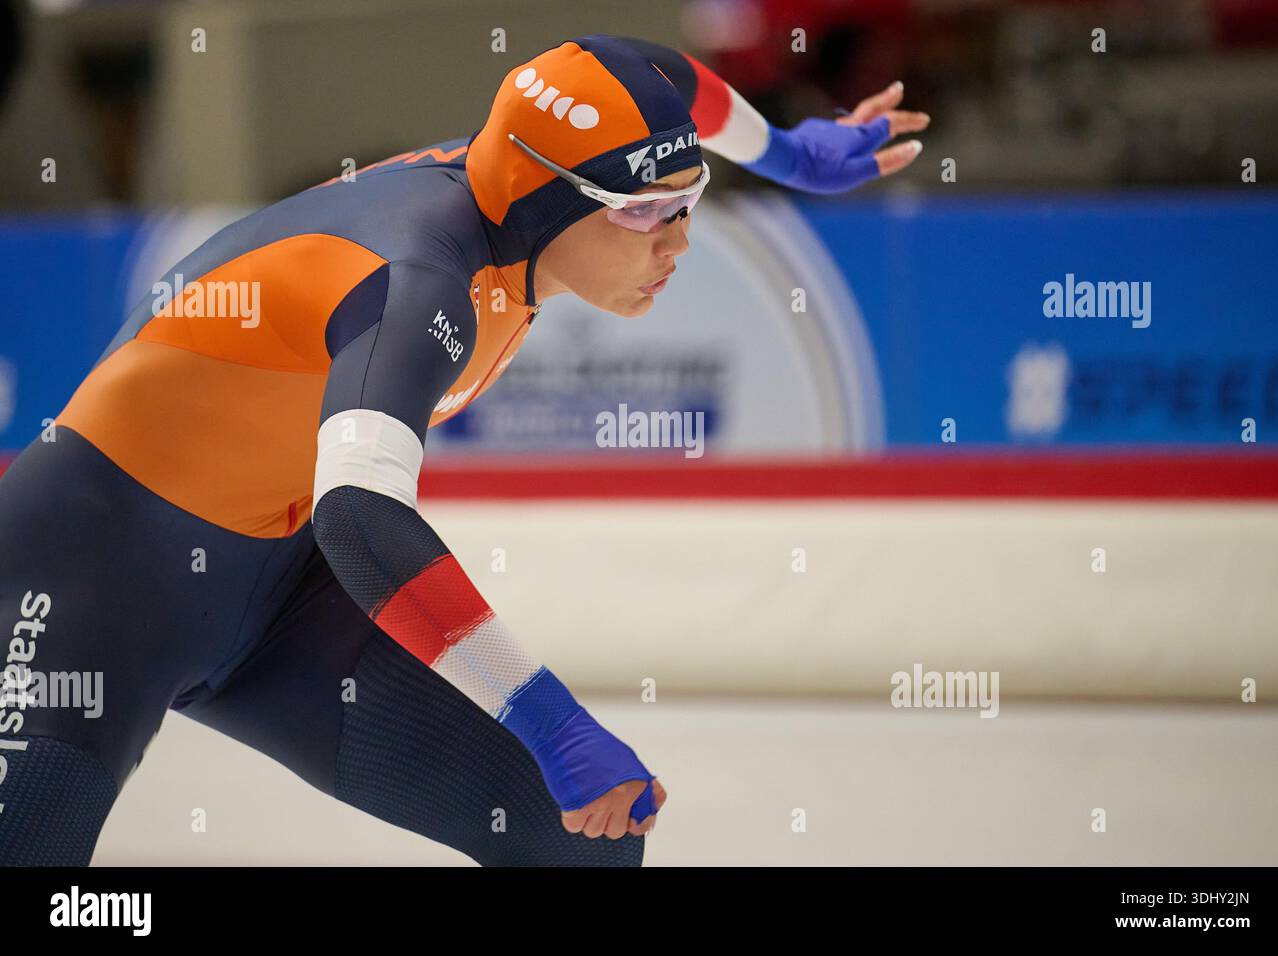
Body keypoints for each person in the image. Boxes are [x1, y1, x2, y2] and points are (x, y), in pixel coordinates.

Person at [0, 34, 928, 866]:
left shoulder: (540, 175)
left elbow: (668, 74)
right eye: (647, 213)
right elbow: (361, 516)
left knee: (578, 842)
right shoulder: (420, 283)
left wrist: (795, 155)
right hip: (90, 580)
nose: (678, 241)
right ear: (551, 203)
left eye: (692, 201)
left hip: (282, 597)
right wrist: (555, 725)